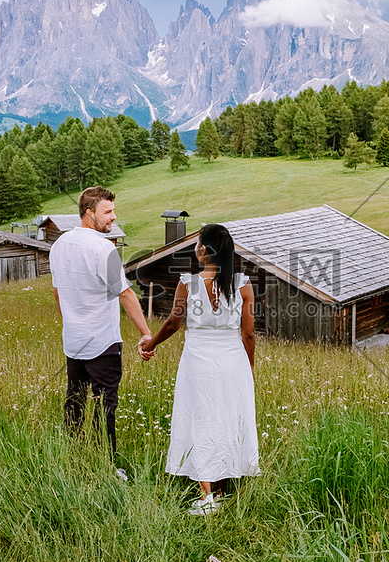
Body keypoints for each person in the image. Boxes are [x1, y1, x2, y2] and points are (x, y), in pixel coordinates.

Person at [140, 223, 259, 515]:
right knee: (228, 418)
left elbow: (173, 324)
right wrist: (250, 366)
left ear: (204, 250)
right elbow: (249, 334)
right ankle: (220, 489)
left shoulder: (188, 283)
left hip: (198, 361)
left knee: (201, 419)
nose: (194, 248)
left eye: (196, 243)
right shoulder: (243, 284)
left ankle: (207, 497)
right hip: (233, 360)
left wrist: (150, 343)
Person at [49, 185, 152, 458]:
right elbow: (126, 293)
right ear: (89, 213)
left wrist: (70, 321)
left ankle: (73, 456)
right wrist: (145, 333)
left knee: (75, 401)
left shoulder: (59, 245)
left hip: (74, 340)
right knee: (105, 405)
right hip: (103, 342)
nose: (114, 217)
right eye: (108, 212)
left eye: (113, 210)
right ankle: (107, 464)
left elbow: (57, 291)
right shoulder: (102, 249)